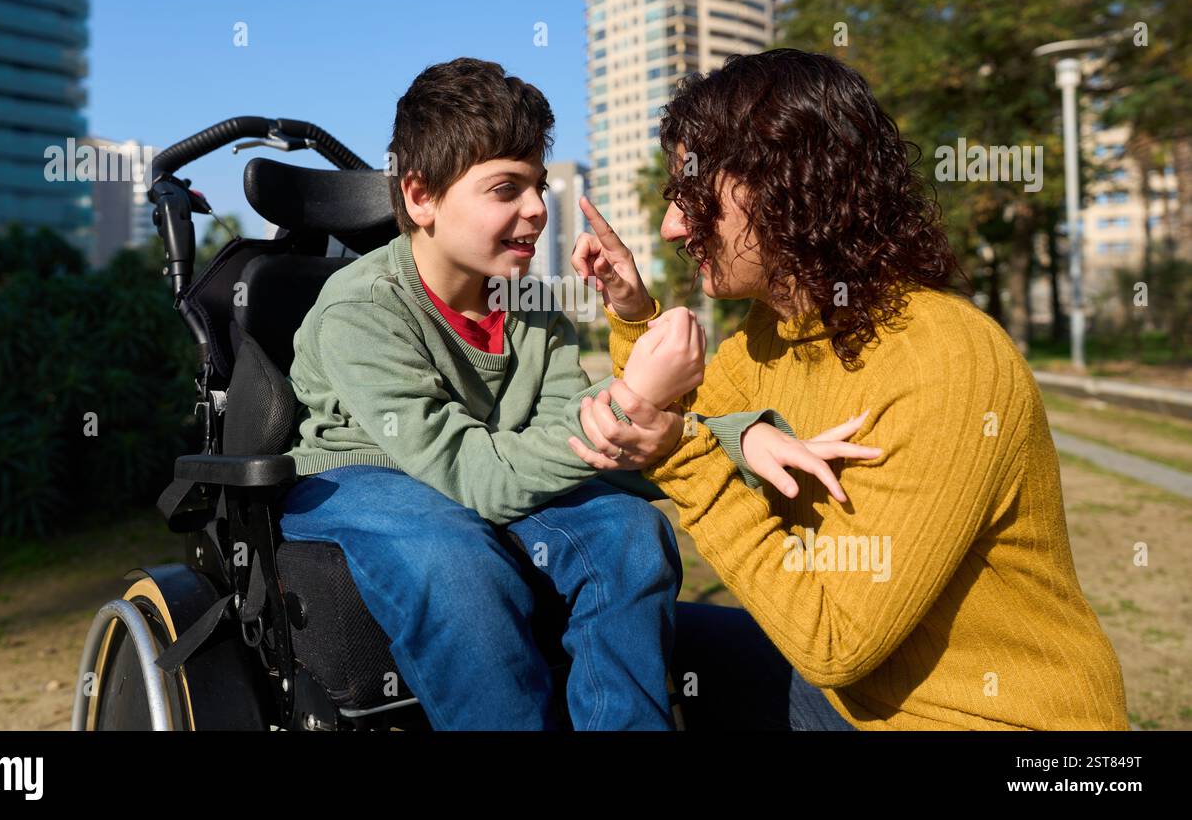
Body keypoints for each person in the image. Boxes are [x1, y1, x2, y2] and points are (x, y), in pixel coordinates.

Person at [279, 57, 865, 730]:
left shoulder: (534, 314)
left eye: (536, 186)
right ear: (421, 197)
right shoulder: (360, 312)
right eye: (505, 189)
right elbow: (479, 477)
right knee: (456, 563)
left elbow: (576, 442)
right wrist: (634, 398)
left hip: (487, 475)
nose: (536, 208)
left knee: (628, 532)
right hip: (364, 480)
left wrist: (735, 438)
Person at [567, 49, 1128, 730]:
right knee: (624, 633)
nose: (673, 227)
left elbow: (837, 645)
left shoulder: (946, 358)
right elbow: (685, 409)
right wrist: (634, 314)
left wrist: (681, 457)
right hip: (855, 705)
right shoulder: (776, 332)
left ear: (785, 187)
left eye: (694, 200)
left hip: (991, 722)